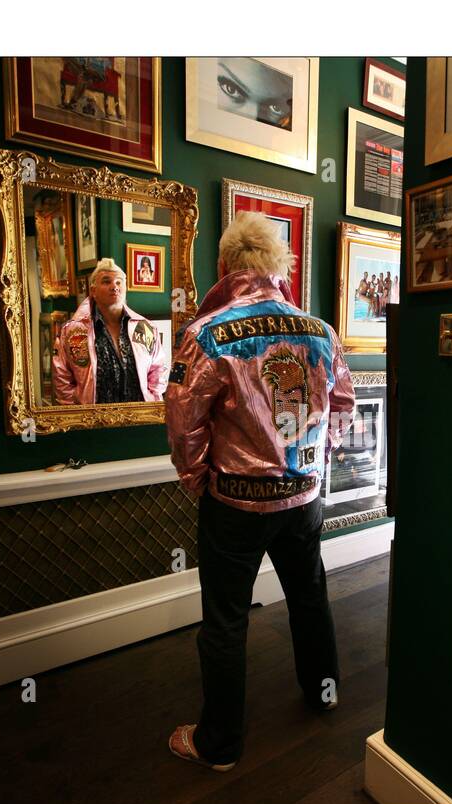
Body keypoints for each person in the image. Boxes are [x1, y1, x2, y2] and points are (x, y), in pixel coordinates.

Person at [164, 211, 356, 771]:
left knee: (226, 619)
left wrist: (197, 477)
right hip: (304, 499)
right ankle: (324, 691)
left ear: (225, 266)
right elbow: (343, 408)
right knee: (309, 595)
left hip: (235, 503)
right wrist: (312, 459)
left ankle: (219, 744)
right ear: (278, 265)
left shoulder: (206, 334)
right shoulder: (320, 332)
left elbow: (182, 420)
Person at [52, 257, 167, 404]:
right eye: (107, 282)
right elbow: (62, 377)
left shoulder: (145, 328)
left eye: (119, 282)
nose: (115, 286)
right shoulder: (72, 331)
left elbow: (157, 369)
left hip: (139, 419)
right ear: (93, 291)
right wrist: (77, 413)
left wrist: (153, 402)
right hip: (93, 421)